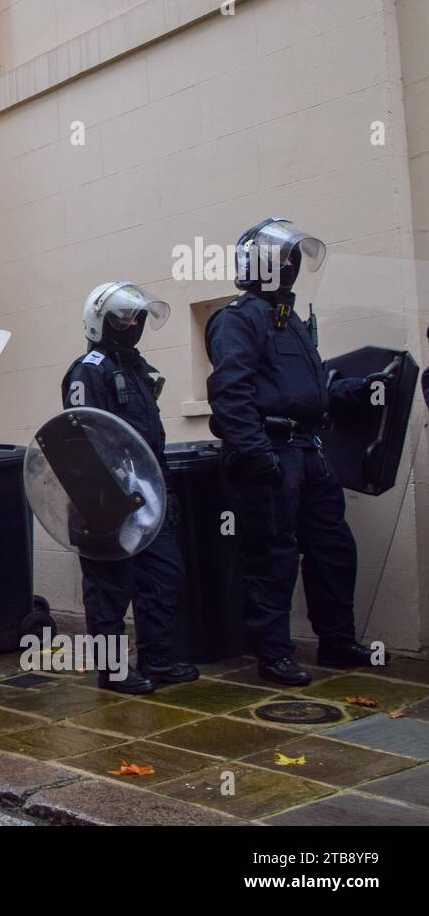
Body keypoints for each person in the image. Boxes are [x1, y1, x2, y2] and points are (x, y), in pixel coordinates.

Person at [206, 217, 384, 685]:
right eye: (283, 257)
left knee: (333, 547)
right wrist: (254, 451)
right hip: (270, 452)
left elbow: (310, 389)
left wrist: (357, 390)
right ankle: (274, 655)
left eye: (293, 257)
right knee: (273, 556)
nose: (291, 264)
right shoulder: (237, 318)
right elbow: (230, 394)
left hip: (308, 450)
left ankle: (338, 643)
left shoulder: (292, 319)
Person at [62, 283, 199, 694]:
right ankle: (113, 670)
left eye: (137, 317)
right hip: (105, 495)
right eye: (123, 317)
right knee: (109, 587)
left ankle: (158, 658)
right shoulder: (89, 369)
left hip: (148, 492)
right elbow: (80, 436)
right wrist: (105, 498)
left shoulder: (136, 367)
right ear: (99, 320)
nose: (133, 324)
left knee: (163, 576)